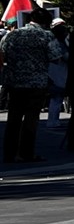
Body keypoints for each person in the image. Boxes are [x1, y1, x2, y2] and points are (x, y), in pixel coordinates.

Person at [2, 9, 56, 163]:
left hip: (14, 81)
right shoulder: (46, 35)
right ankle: (26, 153)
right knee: (31, 119)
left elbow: (3, 51)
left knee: (13, 118)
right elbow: (55, 56)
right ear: (46, 22)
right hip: (36, 82)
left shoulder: (12, 34)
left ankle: (9, 153)